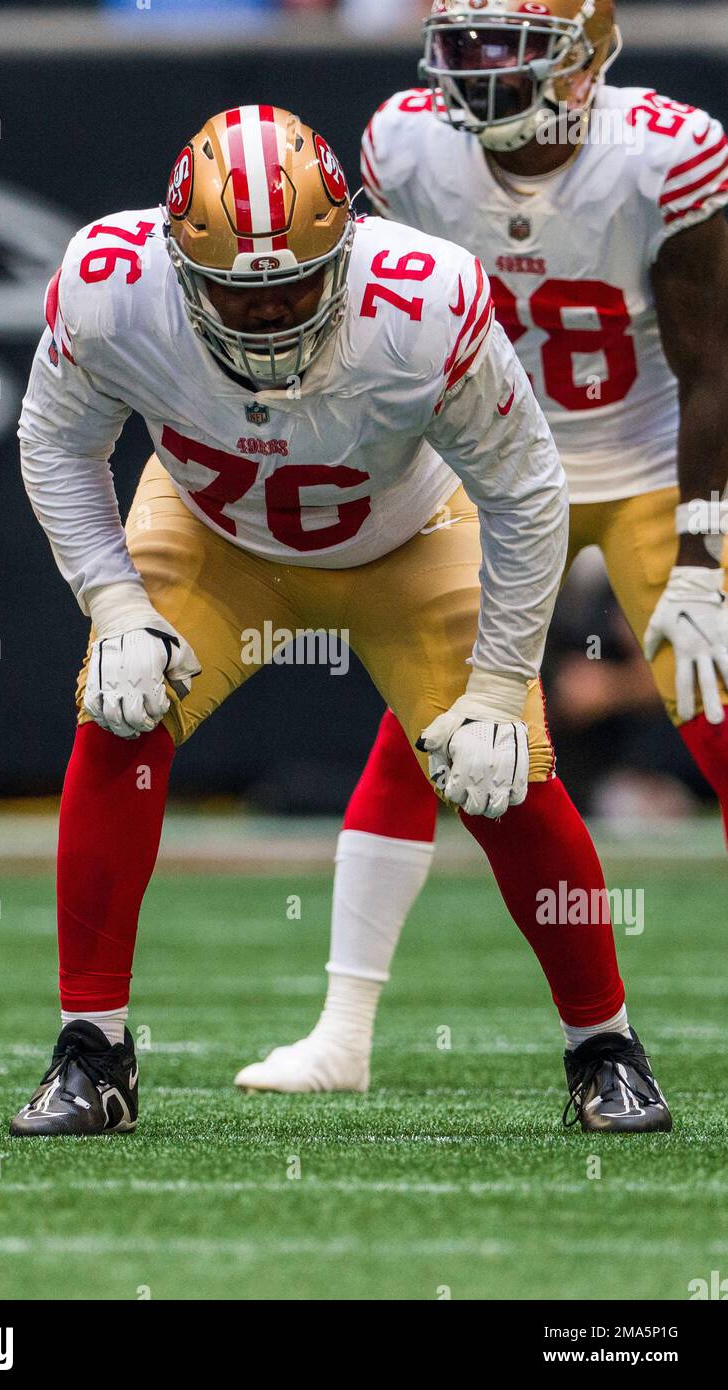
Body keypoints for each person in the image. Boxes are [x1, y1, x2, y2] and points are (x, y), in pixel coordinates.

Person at [13, 102, 668, 1138]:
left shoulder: (424, 300)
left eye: (291, 289)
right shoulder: (110, 287)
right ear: (179, 268)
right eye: (238, 293)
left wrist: (501, 683)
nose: (268, 318)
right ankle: (93, 1051)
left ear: (348, 243)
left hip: (405, 543)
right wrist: (115, 599)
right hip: (210, 534)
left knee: (505, 771)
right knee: (117, 711)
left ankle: (605, 1046)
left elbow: (527, 490)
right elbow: (54, 444)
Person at [234, 0, 728, 1108]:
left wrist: (701, 554)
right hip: (495, 465)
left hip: (647, 460)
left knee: (716, 704)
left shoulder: (664, 151)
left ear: (586, 58)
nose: (481, 72)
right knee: (424, 728)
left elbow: (711, 359)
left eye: (514, 48)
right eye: (463, 44)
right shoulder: (406, 143)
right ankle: (342, 1030)